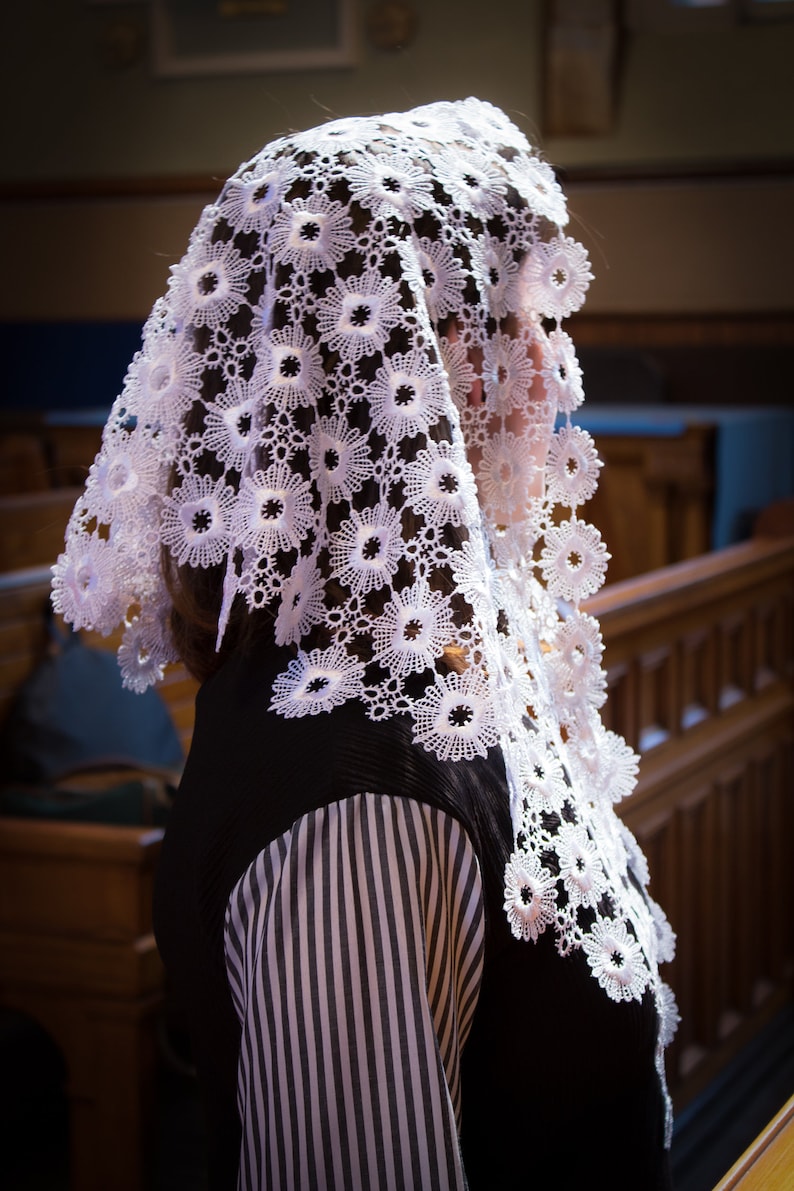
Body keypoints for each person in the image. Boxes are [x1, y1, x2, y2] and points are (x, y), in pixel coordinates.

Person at [52, 98, 678, 1190]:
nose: (550, 375)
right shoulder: (359, 806)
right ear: (377, 381)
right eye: (508, 327)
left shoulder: (420, 678)